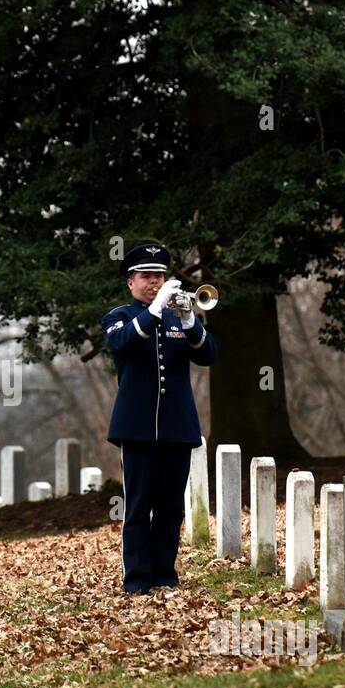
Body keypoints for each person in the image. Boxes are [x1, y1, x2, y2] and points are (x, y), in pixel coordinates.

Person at [101, 242, 218, 594]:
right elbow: (122, 344)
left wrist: (189, 320)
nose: (154, 281)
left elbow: (209, 355)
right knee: (138, 507)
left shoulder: (177, 320)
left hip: (178, 428)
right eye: (147, 276)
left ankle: (164, 575)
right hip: (137, 428)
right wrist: (154, 307)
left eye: (160, 276)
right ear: (130, 282)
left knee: (170, 508)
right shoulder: (119, 316)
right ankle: (136, 579)